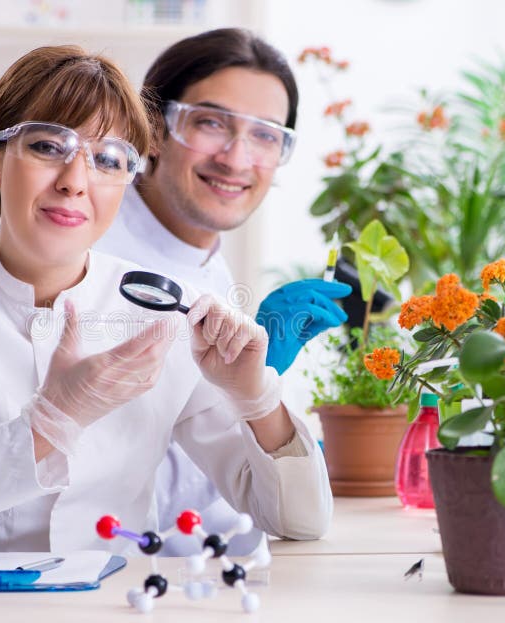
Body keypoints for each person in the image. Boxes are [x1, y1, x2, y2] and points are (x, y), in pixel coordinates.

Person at [0, 45, 333, 555]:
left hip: (118, 603)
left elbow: (301, 520)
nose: (76, 181)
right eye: (48, 147)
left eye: (106, 160)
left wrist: (256, 398)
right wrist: (50, 421)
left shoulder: (166, 313)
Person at [95, 28, 351, 554]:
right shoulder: (90, 257)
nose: (237, 159)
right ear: (155, 131)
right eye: (211, 123)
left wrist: (259, 384)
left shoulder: (208, 265)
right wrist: (250, 399)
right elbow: (119, 480)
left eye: (265, 135)